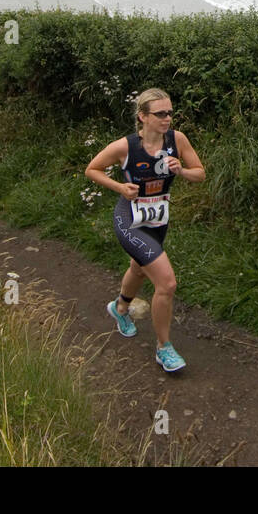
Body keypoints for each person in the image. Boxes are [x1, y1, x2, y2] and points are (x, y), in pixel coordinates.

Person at [85, 88, 205, 373]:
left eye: (170, 113)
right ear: (142, 117)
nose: (167, 118)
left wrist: (182, 171)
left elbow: (199, 172)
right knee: (167, 283)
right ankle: (164, 348)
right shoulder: (125, 147)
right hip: (130, 218)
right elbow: (92, 169)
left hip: (158, 218)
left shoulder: (177, 140)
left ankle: (120, 308)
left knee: (139, 269)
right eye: (160, 113)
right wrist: (120, 187)